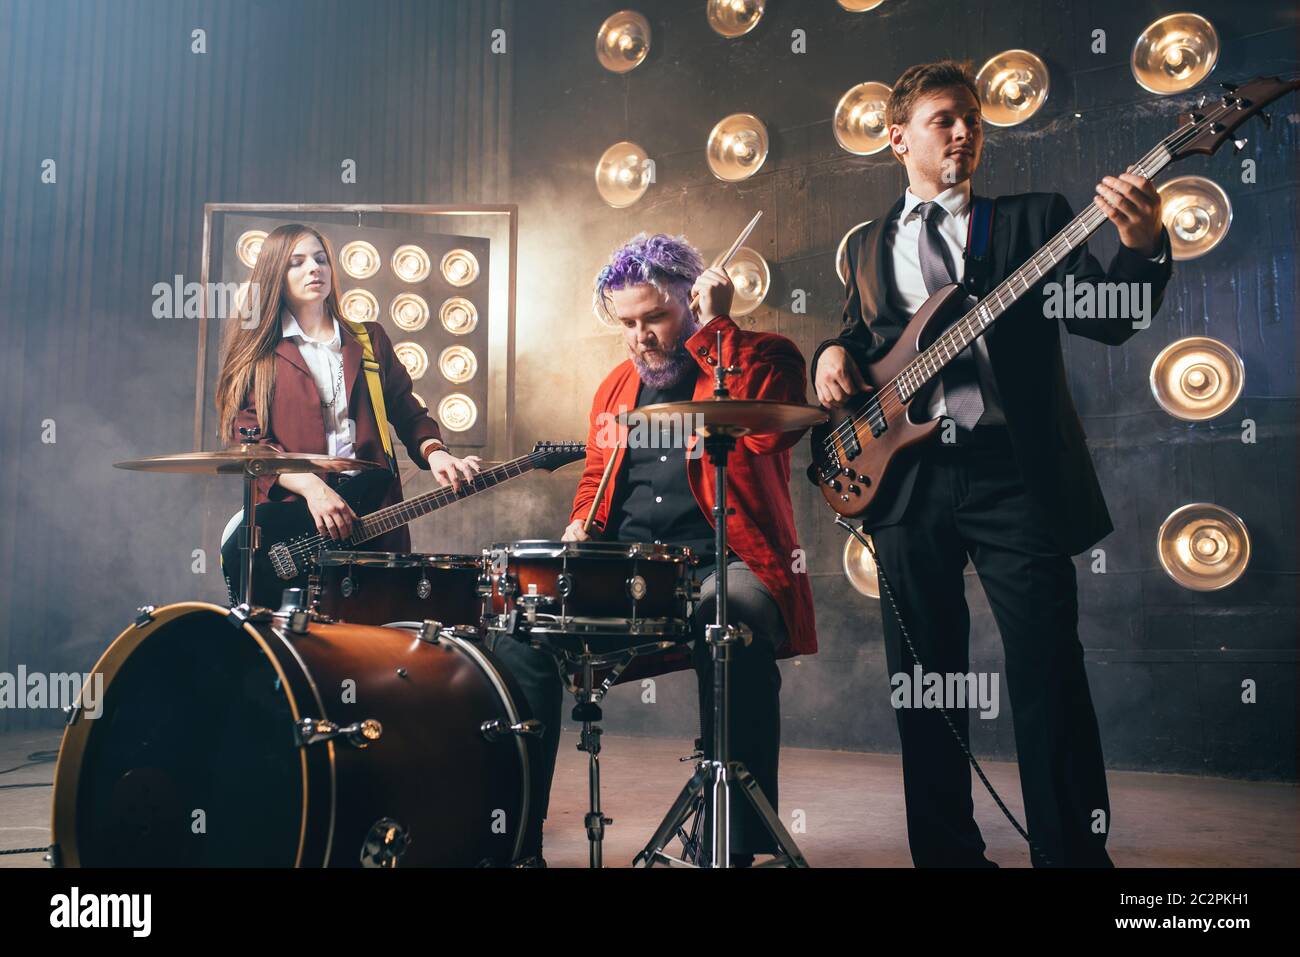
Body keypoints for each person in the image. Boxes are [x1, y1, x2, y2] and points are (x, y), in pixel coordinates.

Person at [812, 60, 1172, 867]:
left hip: (1013, 473)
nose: (966, 132)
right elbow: (861, 343)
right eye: (946, 119)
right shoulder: (869, 245)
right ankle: (946, 854)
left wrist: (1142, 243)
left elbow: (1107, 319)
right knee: (927, 683)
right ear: (898, 137)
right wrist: (828, 353)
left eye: (974, 118)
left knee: (1049, 669)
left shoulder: (1032, 219)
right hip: (907, 482)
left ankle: (1072, 855)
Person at [488, 232, 817, 866]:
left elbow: (765, 443)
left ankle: (734, 842)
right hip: (631, 573)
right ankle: (515, 841)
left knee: (733, 622)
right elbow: (596, 474)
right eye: (628, 323)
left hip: (728, 562)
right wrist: (581, 522)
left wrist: (720, 327)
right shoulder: (616, 387)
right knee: (521, 637)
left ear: (692, 301)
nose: (642, 336)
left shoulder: (764, 355)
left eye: (657, 317)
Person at [214, 223, 481, 553]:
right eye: (296, 262)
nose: (314, 268)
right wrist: (313, 488)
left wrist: (436, 452)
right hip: (294, 522)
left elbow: (408, 413)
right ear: (274, 275)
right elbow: (252, 446)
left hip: (375, 517)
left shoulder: (369, 339)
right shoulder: (258, 354)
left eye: (320, 259)